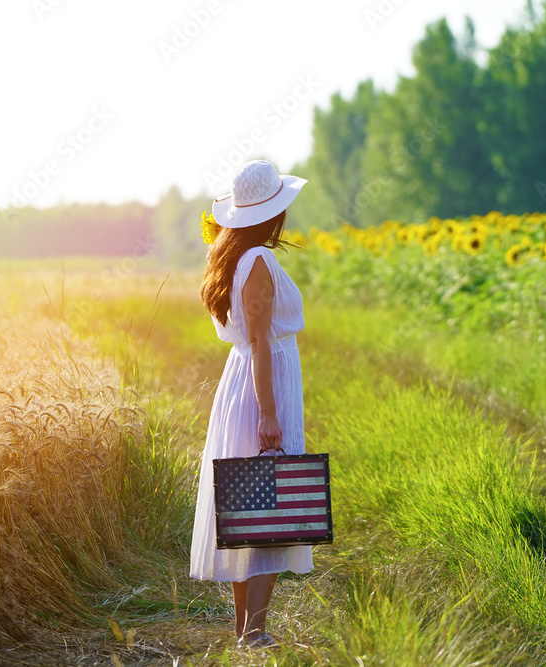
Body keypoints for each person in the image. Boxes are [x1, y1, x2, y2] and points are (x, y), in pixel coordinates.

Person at [190, 159, 312, 649]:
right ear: (273, 215)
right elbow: (261, 342)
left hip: (245, 378)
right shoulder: (257, 261)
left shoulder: (234, 256)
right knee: (269, 509)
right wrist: (268, 413)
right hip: (263, 381)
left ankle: (246, 631)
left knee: (249, 509)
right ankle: (255, 634)